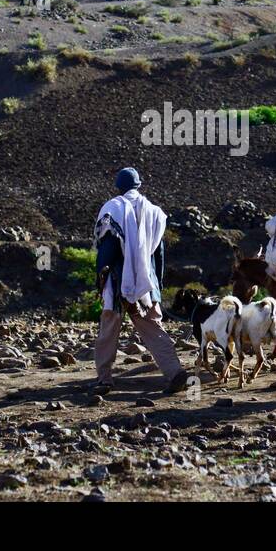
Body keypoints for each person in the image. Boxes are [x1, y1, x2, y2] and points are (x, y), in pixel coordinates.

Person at [92, 168, 188, 396]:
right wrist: (158, 284)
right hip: (147, 281)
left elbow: (107, 249)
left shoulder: (112, 208)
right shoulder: (155, 211)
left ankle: (104, 379)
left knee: (108, 330)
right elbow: (159, 253)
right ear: (139, 185)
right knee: (153, 328)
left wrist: (100, 278)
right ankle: (175, 372)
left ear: (118, 186)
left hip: (117, 282)